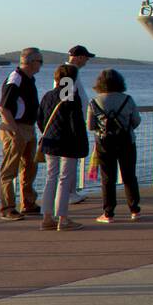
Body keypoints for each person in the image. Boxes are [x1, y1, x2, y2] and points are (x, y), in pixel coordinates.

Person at [86, 68, 142, 223]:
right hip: (126, 141)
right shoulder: (128, 99)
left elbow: (90, 125)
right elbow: (136, 120)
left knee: (108, 178)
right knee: (129, 176)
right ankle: (134, 210)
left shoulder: (94, 102)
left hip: (104, 143)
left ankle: (108, 213)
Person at [36, 65, 86, 231]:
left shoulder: (48, 95)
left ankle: (47, 218)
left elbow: (40, 119)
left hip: (50, 141)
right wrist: (80, 144)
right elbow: (76, 124)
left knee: (51, 177)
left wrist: (49, 132)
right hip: (68, 144)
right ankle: (63, 219)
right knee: (64, 179)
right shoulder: (71, 97)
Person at [0, 47, 43, 220]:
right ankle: (8, 207)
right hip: (16, 127)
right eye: (39, 61)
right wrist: (14, 130)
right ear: (31, 62)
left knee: (30, 166)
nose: (41, 65)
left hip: (28, 127)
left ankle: (28, 202)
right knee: (10, 169)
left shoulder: (29, 79)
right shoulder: (16, 78)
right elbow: (3, 107)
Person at [64, 45, 97, 205]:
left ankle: (72, 191)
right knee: (69, 160)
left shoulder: (72, 72)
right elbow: (64, 100)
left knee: (73, 160)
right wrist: (71, 122)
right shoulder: (67, 73)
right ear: (78, 57)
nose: (87, 61)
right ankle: (69, 193)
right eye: (85, 57)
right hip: (71, 124)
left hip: (75, 122)